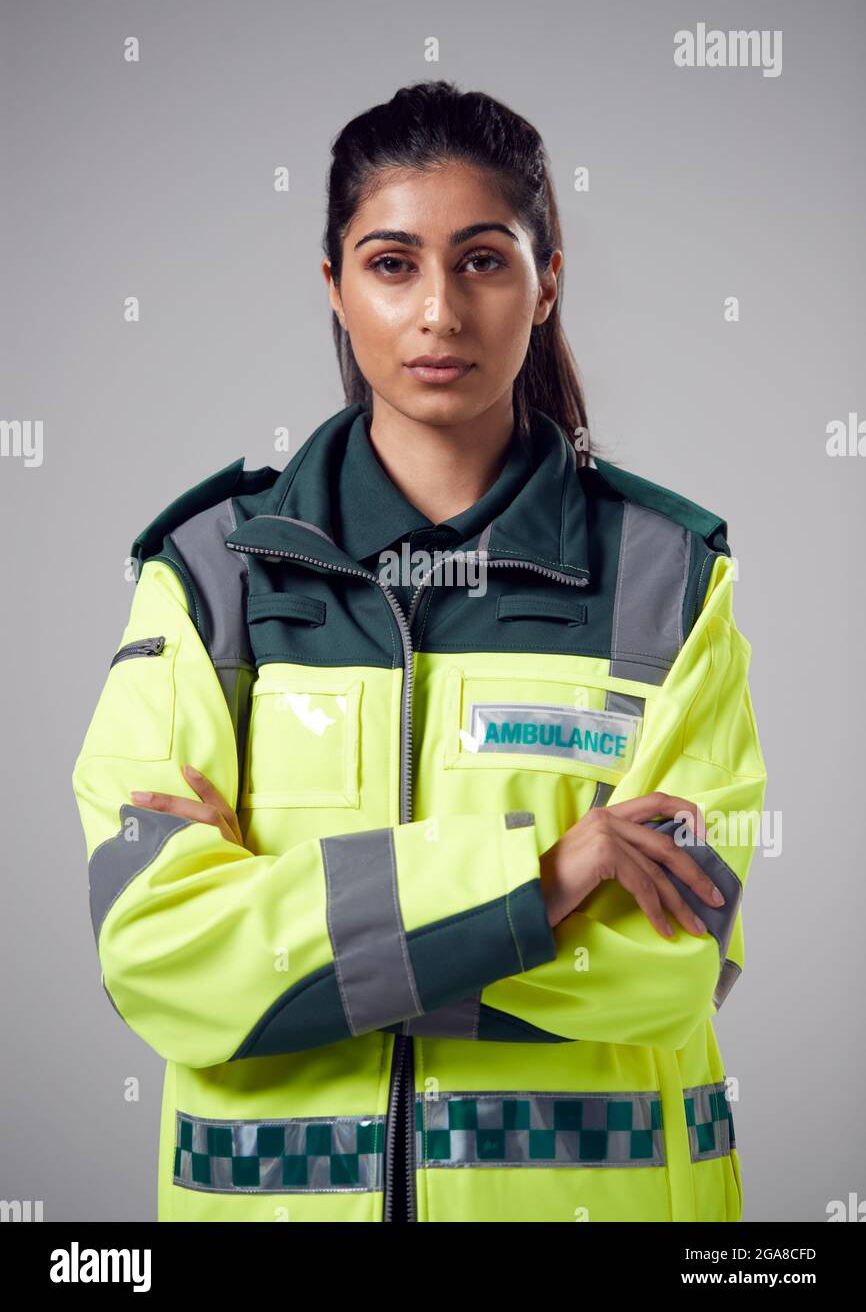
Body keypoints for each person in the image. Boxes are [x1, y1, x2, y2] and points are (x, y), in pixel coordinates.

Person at [72, 80, 767, 1223]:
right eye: (391, 263)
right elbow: (159, 956)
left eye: (483, 260)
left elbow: (663, 968)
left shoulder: (666, 581)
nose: (438, 310)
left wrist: (289, 952)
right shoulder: (209, 575)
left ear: (547, 283)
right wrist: (539, 884)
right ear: (334, 287)